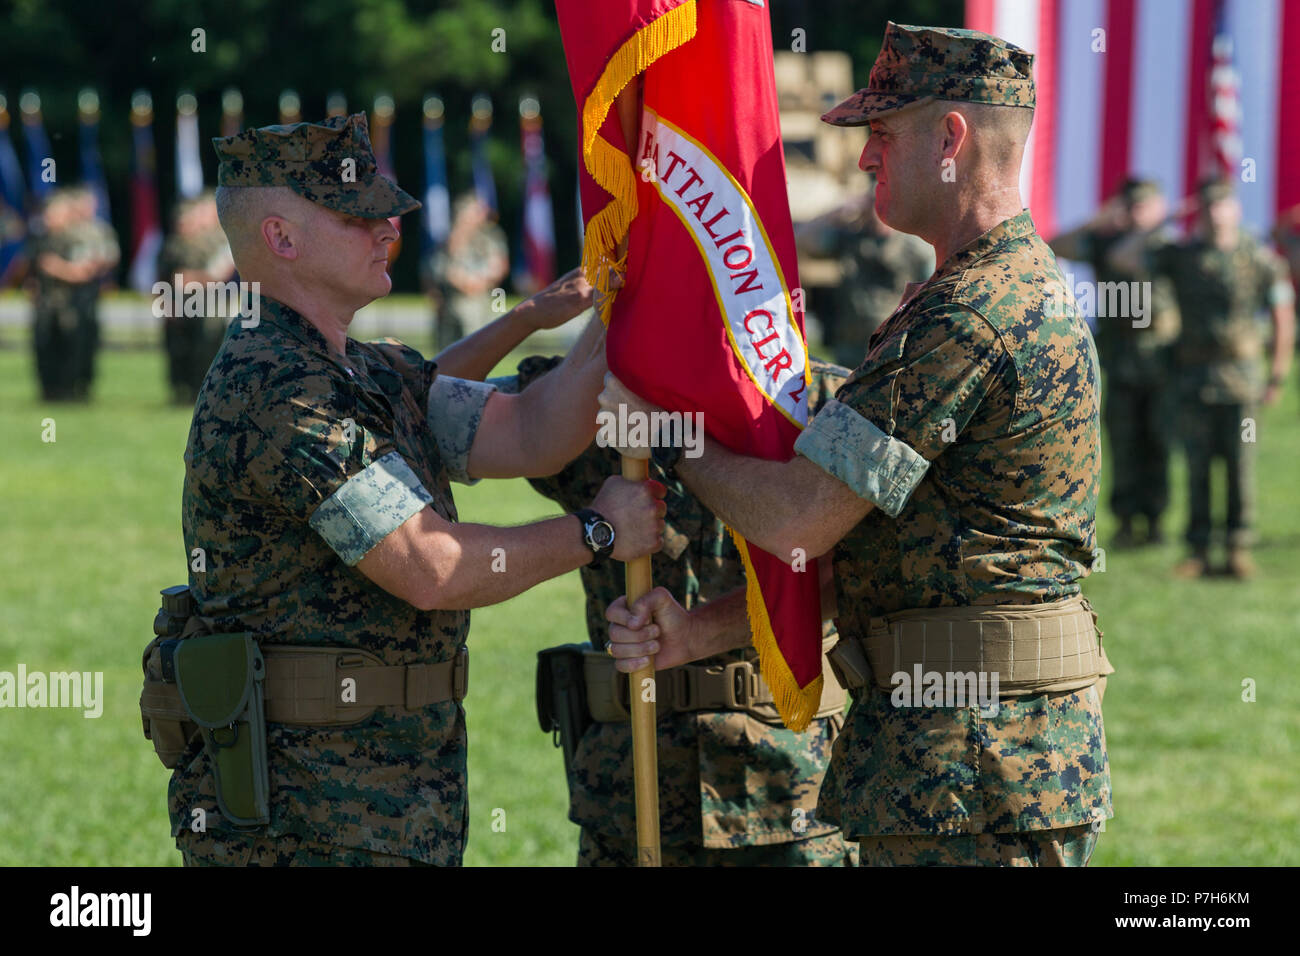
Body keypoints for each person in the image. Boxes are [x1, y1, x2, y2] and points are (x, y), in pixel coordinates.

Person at [601, 22, 1114, 867]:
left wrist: (665, 433)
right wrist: (699, 634)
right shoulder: (998, 290)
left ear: (950, 138)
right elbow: (888, 553)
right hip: (978, 751)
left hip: (972, 765)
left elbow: (800, 521)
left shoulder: (969, 314)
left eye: (881, 133)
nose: (866, 158)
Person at [169, 113, 666, 867]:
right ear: (280, 239)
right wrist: (594, 532)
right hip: (305, 816)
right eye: (356, 214)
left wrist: (623, 308)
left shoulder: (366, 371)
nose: (388, 227)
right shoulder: (276, 387)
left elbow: (533, 429)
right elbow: (432, 568)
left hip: (389, 800)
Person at [435, 309, 857, 866]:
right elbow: (425, 408)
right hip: (629, 786)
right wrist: (531, 314)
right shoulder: (589, 406)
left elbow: (843, 572)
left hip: (791, 787)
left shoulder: (821, 402)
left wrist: (704, 632)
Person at [1111, 178, 1295, 579]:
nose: (1214, 214)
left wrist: (1277, 375)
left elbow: (1283, 314)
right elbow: (1124, 257)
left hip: (1243, 382)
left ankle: (1237, 548)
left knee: (1239, 464)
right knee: (1196, 466)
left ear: (1236, 209)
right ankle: (1197, 549)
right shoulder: (1180, 255)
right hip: (1192, 380)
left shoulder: (1259, 258)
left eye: (1222, 205)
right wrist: (1163, 222)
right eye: (1207, 207)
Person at [1048, 178, 1180, 546]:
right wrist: (1099, 218)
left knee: (1157, 439)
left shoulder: (1168, 246)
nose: (1138, 212)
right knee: (1122, 440)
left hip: (1159, 357)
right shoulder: (1105, 241)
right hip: (1120, 357)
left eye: (1145, 205)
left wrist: (1154, 226)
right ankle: (1125, 520)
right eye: (1132, 205)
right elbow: (1054, 245)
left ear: (1158, 206)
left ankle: (1155, 520)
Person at [795, 179, 933, 369]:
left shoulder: (914, 248)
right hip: (849, 343)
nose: (879, 213)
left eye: (886, 203)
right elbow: (803, 240)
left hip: (893, 344)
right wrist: (837, 213)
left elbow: (930, 292)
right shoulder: (850, 239)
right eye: (874, 204)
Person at [27, 186, 118, 400]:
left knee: (75, 347)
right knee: (46, 347)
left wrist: (65, 268)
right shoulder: (43, 239)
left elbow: (89, 265)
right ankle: (51, 391)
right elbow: (39, 266)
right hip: (49, 304)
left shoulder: (78, 237)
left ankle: (73, 389)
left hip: (74, 303)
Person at [158, 191, 237, 405]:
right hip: (181, 303)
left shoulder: (223, 241)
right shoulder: (175, 244)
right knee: (179, 347)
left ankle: (204, 389)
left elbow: (219, 275)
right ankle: (181, 390)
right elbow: (164, 276)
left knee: (207, 346)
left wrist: (191, 278)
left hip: (213, 304)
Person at [425, 193, 509, 348]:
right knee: (446, 352)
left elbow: (499, 265)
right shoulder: (447, 239)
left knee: (474, 348)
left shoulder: (490, 237)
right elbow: (433, 269)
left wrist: (479, 282)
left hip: (477, 302)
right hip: (449, 301)